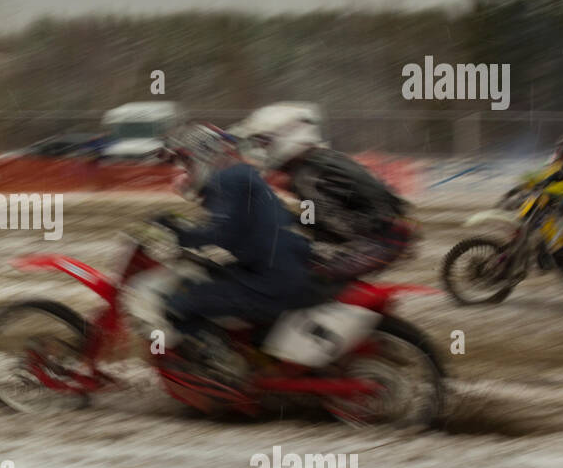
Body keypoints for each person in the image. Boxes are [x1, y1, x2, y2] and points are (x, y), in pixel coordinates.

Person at [158, 124, 316, 346]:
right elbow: (236, 229)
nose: (185, 171)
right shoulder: (240, 175)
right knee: (205, 276)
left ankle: (209, 371)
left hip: (270, 283)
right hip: (279, 272)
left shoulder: (226, 180)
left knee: (180, 303)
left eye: (187, 163)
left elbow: (222, 231)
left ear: (202, 156)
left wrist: (179, 233)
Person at [229, 103, 416, 283]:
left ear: (285, 137)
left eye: (264, 143)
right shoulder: (320, 161)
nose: (262, 150)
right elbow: (318, 220)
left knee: (299, 278)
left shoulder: (306, 176)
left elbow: (327, 227)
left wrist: (284, 218)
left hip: (380, 241)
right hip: (388, 233)